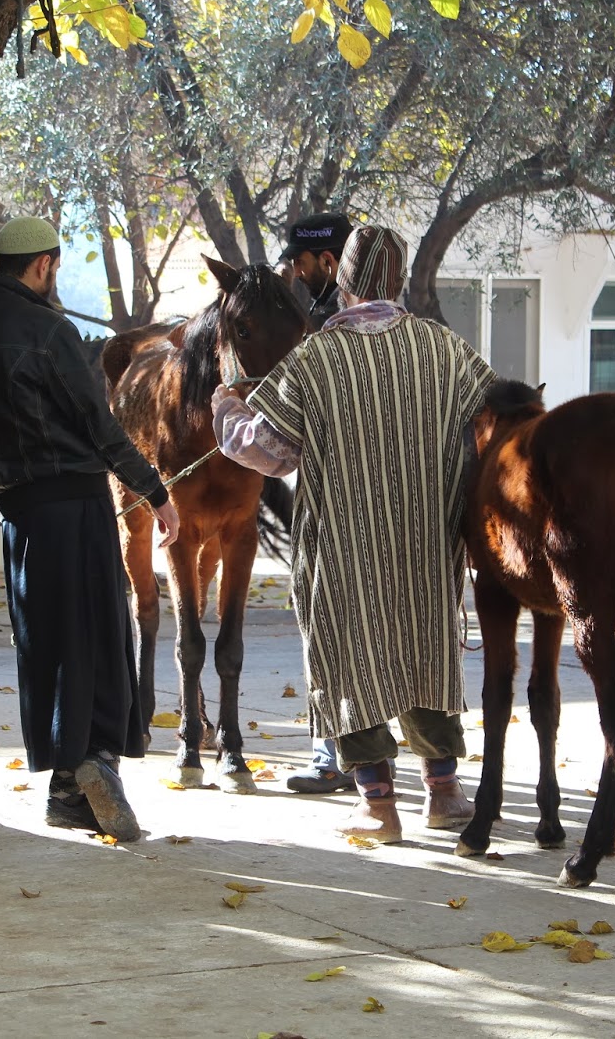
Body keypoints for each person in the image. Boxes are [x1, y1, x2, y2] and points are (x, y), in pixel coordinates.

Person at [212, 225, 496, 843]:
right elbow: (493, 423)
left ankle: (379, 807)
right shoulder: (446, 349)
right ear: (398, 280)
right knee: (427, 654)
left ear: (342, 280)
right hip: (427, 547)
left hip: (344, 555)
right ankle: (445, 792)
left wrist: (227, 409)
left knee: (349, 662)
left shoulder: (314, 359)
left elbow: (270, 453)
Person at [0, 216, 179, 843]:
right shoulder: (51, 331)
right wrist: (156, 493)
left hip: (18, 513)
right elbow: (100, 427)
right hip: (76, 504)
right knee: (96, 636)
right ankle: (94, 759)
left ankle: (65, 791)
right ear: (43, 264)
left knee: (44, 644)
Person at [276, 212, 358, 794]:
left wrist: (232, 408)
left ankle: (333, 756)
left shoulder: (328, 330)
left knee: (327, 626)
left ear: (328, 262)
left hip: (336, 505)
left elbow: (282, 433)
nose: (296, 273)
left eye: (301, 263)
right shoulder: (411, 327)